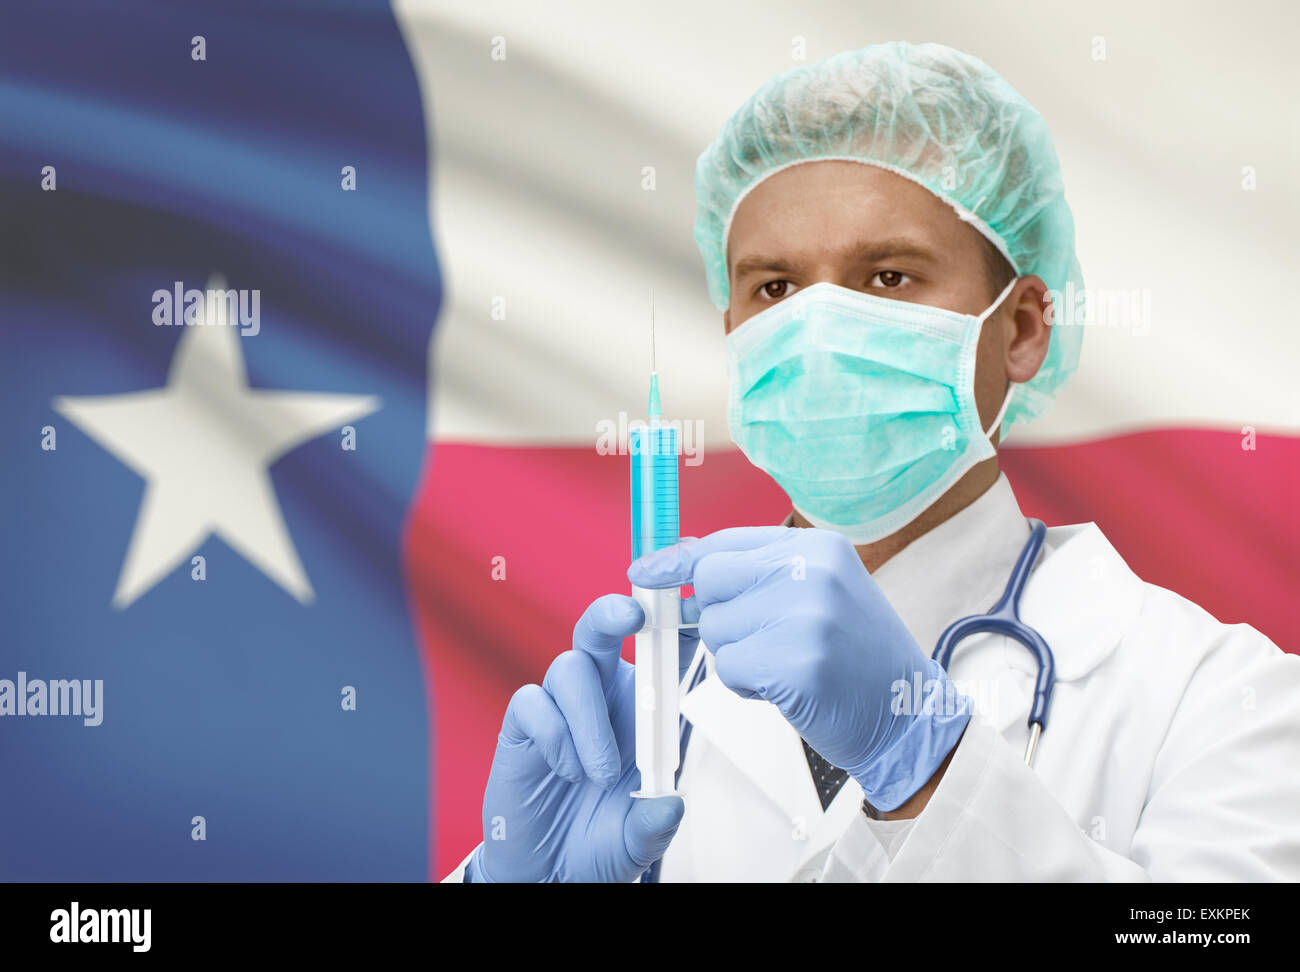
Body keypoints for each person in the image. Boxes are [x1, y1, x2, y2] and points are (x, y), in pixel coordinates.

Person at [443, 41, 1300, 882]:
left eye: (888, 277)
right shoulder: (655, 714)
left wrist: (925, 768)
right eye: (774, 287)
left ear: (1025, 328)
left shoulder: (1222, 698)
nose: (818, 330)